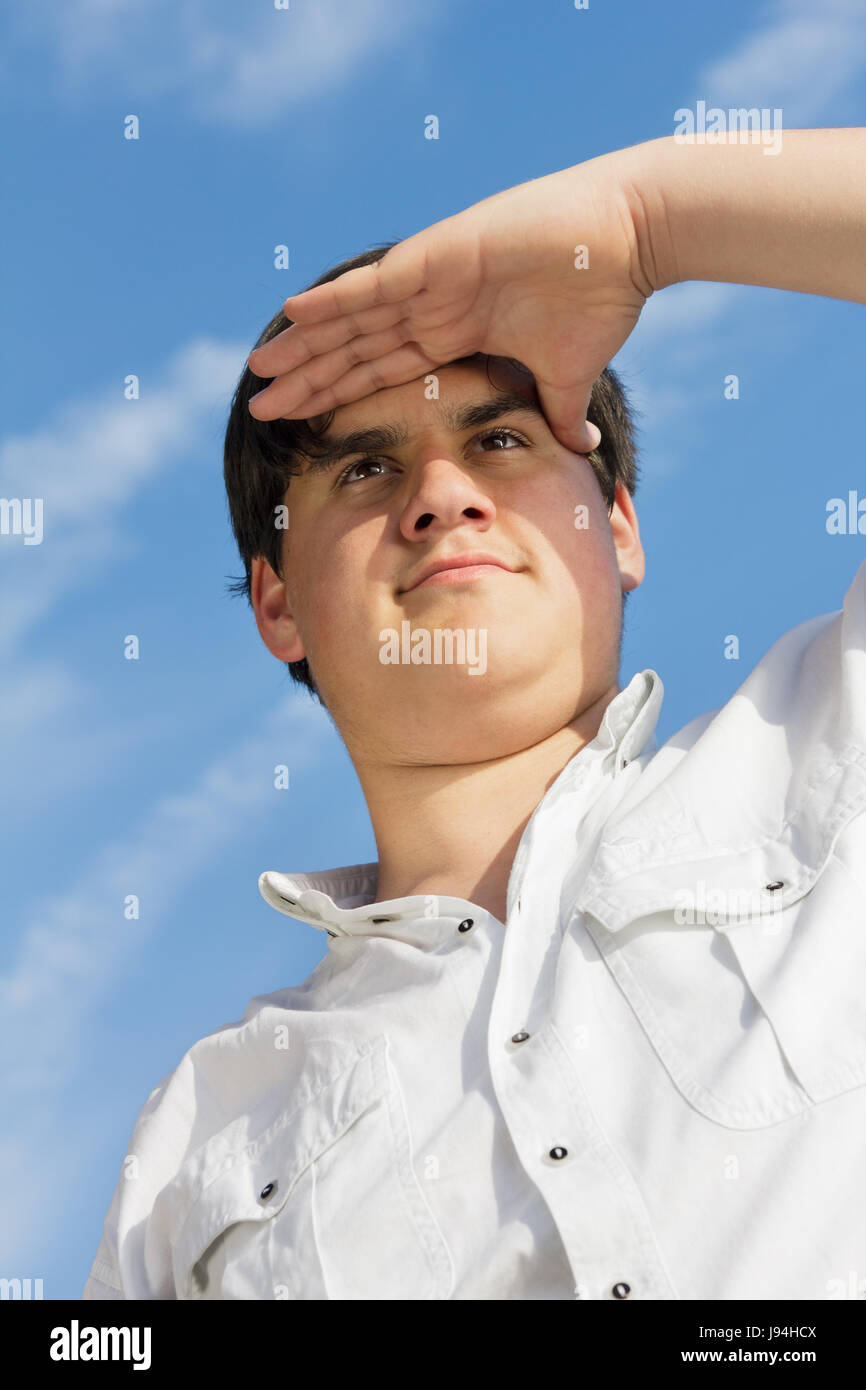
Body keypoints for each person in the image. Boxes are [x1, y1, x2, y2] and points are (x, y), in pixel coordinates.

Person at [83, 127, 866, 1301]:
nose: (442, 498)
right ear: (278, 601)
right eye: (363, 469)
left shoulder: (829, 742)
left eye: (499, 440)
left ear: (618, 528)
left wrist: (643, 222)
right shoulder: (201, 1135)